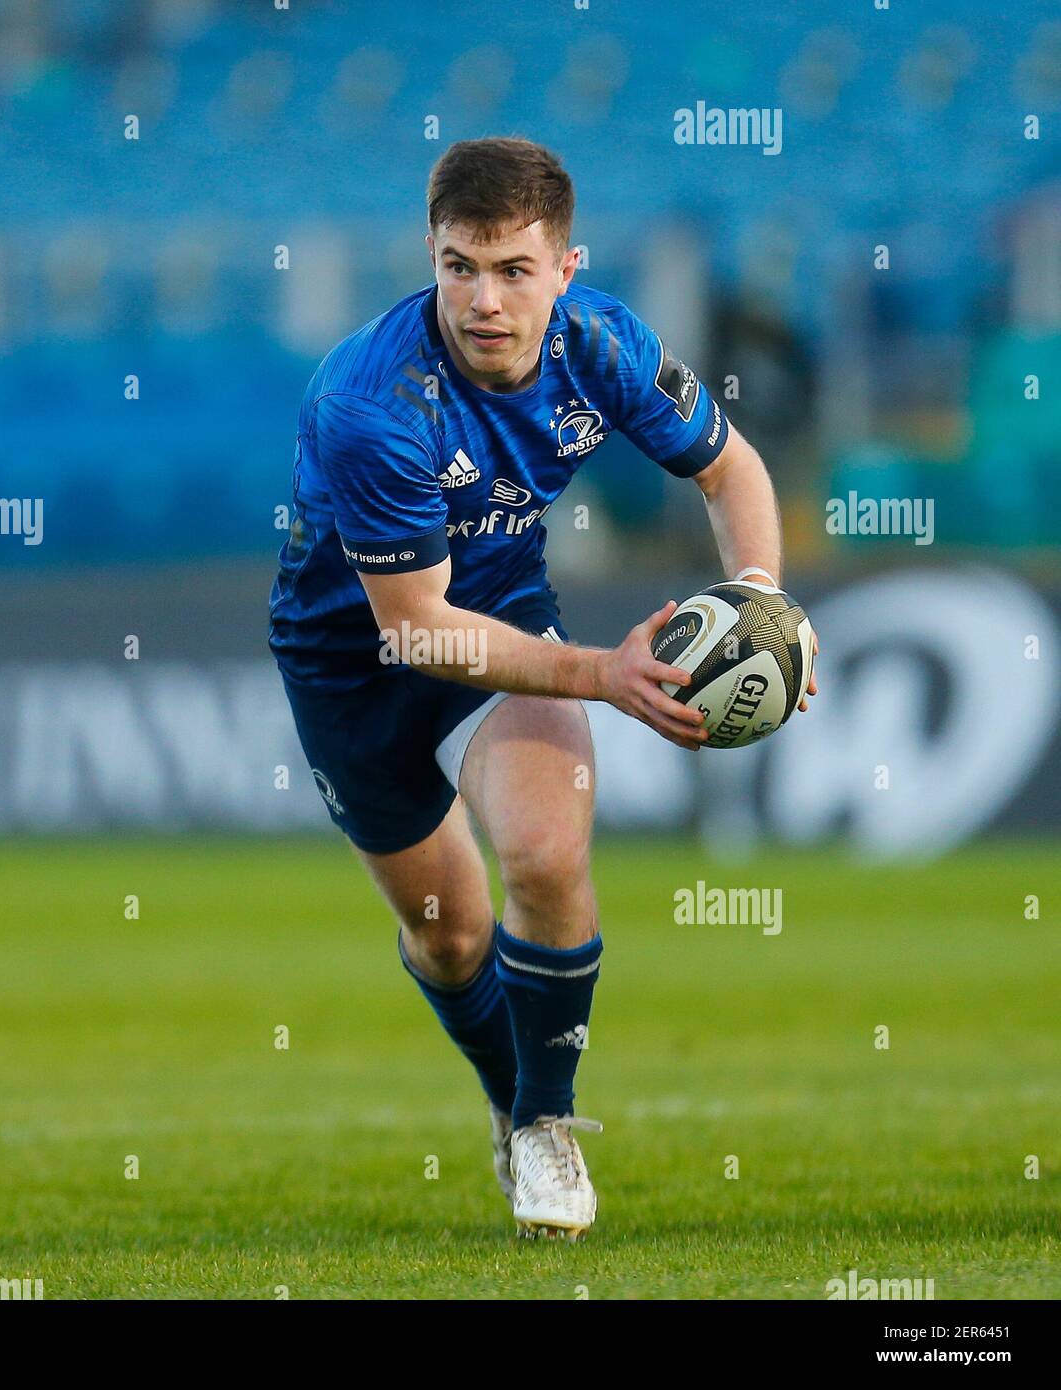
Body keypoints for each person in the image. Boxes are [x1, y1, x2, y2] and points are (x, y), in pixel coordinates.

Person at [269, 136, 817, 1239]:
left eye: (512, 269)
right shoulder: (370, 402)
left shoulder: (602, 339)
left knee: (547, 855)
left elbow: (729, 468)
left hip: (507, 614)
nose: (481, 298)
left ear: (564, 270)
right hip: (353, 660)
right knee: (451, 935)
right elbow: (417, 632)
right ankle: (506, 1097)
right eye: (458, 265)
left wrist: (759, 604)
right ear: (429, 254)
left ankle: (543, 1123)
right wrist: (604, 676)